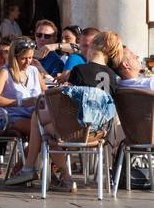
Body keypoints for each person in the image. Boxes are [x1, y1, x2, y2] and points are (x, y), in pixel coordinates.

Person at [10, 31, 124, 189]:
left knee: (41, 122)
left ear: (91, 47)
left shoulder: (79, 70)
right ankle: (59, 176)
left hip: (76, 131)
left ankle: (38, 170)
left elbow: (65, 104)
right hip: (100, 133)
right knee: (47, 128)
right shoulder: (113, 75)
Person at [0, 36, 44, 182]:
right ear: (15, 57)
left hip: (34, 116)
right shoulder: (5, 72)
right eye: (24, 58)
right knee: (41, 132)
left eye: (31, 57)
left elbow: (45, 94)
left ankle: (25, 168)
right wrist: (21, 102)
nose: (28, 62)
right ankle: (23, 168)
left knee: (48, 131)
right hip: (12, 117)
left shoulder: (34, 71)